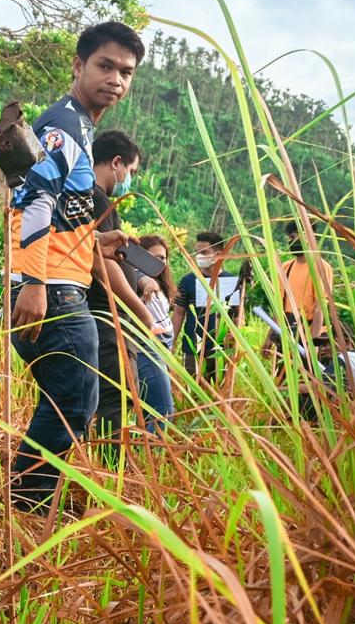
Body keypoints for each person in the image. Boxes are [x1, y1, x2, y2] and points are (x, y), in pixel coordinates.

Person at [7, 21, 146, 513]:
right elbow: (36, 201)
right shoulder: (64, 125)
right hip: (54, 288)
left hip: (61, 280)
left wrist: (95, 239)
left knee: (68, 402)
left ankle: (32, 508)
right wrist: (35, 283)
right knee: (72, 403)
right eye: (105, 66)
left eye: (125, 72)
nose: (116, 79)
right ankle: (25, 510)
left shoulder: (82, 126)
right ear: (78, 65)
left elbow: (62, 210)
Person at [84, 130, 160, 447]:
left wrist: (142, 276)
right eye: (130, 172)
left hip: (102, 317)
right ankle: (112, 481)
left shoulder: (91, 198)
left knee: (101, 401)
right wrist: (141, 311)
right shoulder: (98, 198)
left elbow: (113, 255)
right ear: (116, 163)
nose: (129, 179)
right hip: (107, 317)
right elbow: (102, 263)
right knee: (115, 400)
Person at [171, 231, 242, 383]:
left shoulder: (231, 281)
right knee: (194, 392)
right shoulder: (188, 281)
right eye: (197, 252)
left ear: (218, 254)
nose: (199, 256)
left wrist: (235, 333)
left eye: (204, 252)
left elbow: (239, 314)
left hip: (222, 349)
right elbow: (178, 313)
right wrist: (171, 343)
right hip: (193, 348)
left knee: (220, 390)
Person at [133, 234, 176, 430]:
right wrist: (147, 281)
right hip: (146, 350)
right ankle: (151, 457)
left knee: (155, 412)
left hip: (159, 352)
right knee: (163, 412)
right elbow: (137, 276)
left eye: (163, 258)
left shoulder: (161, 284)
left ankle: (140, 453)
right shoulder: (133, 276)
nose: (160, 262)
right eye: (154, 257)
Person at [279, 221, 333, 337]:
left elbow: (320, 307)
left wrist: (313, 343)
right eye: (291, 237)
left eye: (298, 235)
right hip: (286, 335)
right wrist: (270, 336)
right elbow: (279, 305)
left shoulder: (320, 267)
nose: (293, 240)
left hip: (307, 334)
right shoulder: (286, 267)